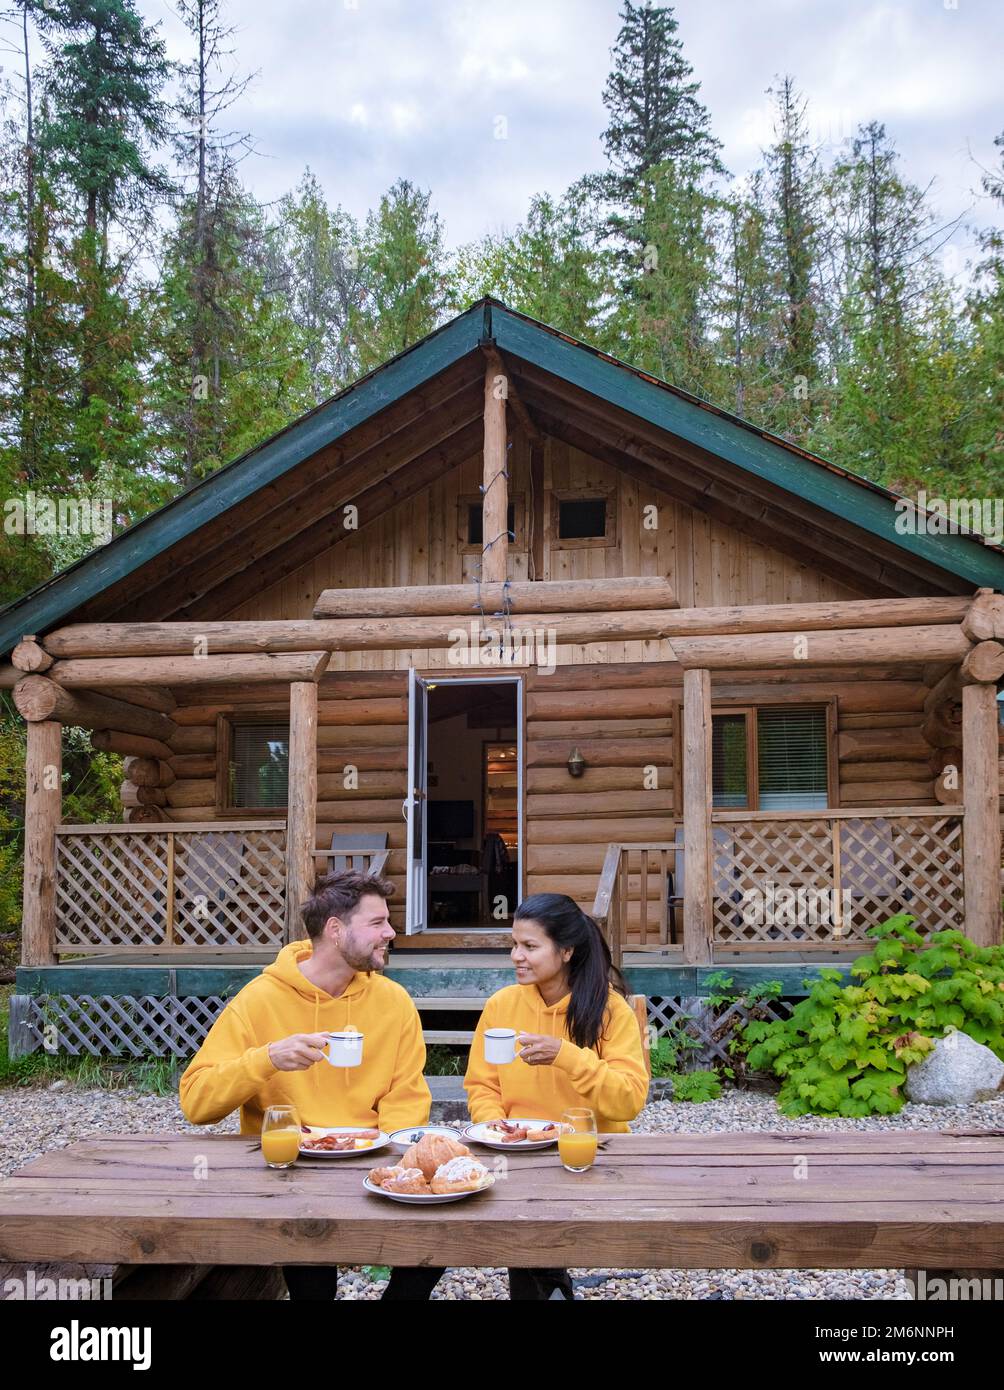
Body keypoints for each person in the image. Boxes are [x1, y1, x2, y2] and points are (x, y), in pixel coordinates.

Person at [179, 869, 435, 1301]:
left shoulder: (393, 1002)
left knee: (438, 1233)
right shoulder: (260, 999)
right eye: (377, 923)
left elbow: (406, 1094)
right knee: (310, 1268)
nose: (391, 932)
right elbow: (196, 1103)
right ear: (335, 930)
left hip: (368, 1157)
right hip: (288, 1169)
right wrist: (267, 1058)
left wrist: (391, 1159)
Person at [463, 892, 650, 1300]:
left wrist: (566, 1056)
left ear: (566, 951)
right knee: (513, 1209)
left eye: (530, 946)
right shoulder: (501, 1005)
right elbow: (482, 1085)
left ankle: (550, 1282)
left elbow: (629, 1100)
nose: (516, 956)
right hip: (520, 1149)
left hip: (591, 1152)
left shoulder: (609, 1009)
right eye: (514, 944)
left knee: (534, 1225)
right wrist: (496, 1125)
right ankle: (550, 1283)